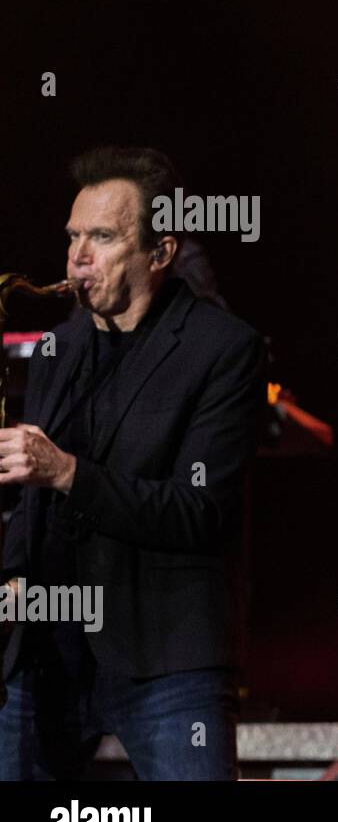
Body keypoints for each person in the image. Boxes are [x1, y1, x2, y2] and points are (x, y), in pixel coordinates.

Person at [0, 146, 263, 780]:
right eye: (72, 237)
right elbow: (31, 500)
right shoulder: (60, 346)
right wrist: (12, 574)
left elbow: (201, 511)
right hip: (46, 656)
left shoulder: (224, 349)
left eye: (102, 237)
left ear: (162, 251)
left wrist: (66, 472)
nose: (76, 257)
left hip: (166, 661)